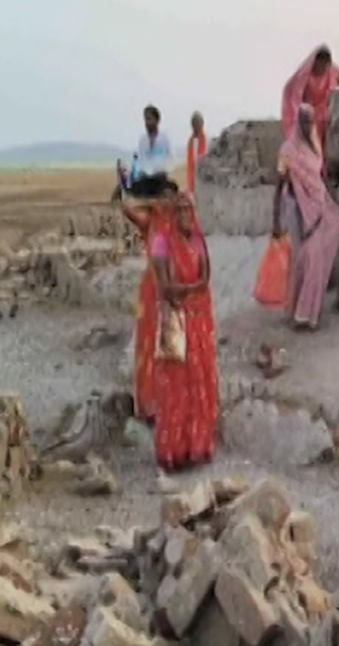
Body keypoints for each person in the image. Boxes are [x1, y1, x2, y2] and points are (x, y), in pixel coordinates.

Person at [149, 193, 218, 472]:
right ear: (171, 214)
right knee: (175, 382)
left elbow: (205, 278)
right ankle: (173, 451)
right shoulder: (162, 242)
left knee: (200, 379)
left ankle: (197, 447)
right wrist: (188, 291)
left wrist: (185, 291)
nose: (185, 216)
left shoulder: (199, 240)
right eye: (179, 210)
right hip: (176, 321)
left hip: (199, 319)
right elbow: (165, 287)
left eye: (189, 209)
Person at [272, 104, 339, 330]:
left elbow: (318, 178)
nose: (308, 125)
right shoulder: (288, 151)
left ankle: (308, 314)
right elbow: (279, 186)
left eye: (311, 120)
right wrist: (275, 220)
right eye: (304, 120)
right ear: (298, 122)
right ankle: (297, 312)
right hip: (296, 209)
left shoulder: (314, 145)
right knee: (300, 259)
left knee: (317, 258)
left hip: (318, 206)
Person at [120, 189, 178, 423]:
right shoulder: (151, 223)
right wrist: (148, 200)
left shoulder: (180, 223)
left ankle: (168, 402)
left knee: (169, 346)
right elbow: (128, 209)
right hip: (150, 289)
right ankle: (147, 404)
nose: (165, 201)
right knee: (147, 344)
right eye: (162, 196)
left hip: (173, 289)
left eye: (169, 197)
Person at [281, 46, 339, 161]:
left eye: (325, 64)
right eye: (320, 63)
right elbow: (294, 94)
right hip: (311, 116)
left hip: (328, 112)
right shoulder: (305, 75)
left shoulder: (332, 70)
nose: (322, 67)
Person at [131, 105, 176, 198]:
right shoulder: (143, 140)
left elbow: (170, 157)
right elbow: (141, 159)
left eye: (149, 119)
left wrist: (164, 169)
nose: (147, 123)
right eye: (145, 120)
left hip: (160, 178)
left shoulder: (164, 138)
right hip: (145, 179)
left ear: (157, 121)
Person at [186, 111, 208, 196]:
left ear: (202, 124)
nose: (195, 126)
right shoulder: (191, 141)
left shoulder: (207, 140)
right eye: (194, 124)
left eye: (197, 123)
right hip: (193, 178)